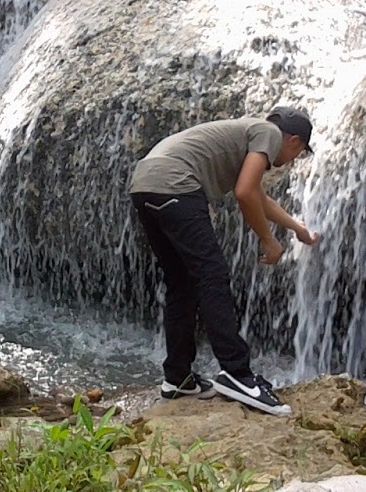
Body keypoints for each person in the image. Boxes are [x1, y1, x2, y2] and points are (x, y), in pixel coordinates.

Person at [127, 105, 319, 416]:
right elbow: (245, 193)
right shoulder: (269, 133)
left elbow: (258, 195)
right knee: (212, 276)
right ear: (294, 140)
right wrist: (268, 240)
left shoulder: (244, 133)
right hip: (177, 184)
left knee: (182, 283)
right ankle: (236, 373)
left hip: (145, 184)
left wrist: (297, 228)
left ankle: (178, 377)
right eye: (298, 153)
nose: (292, 159)